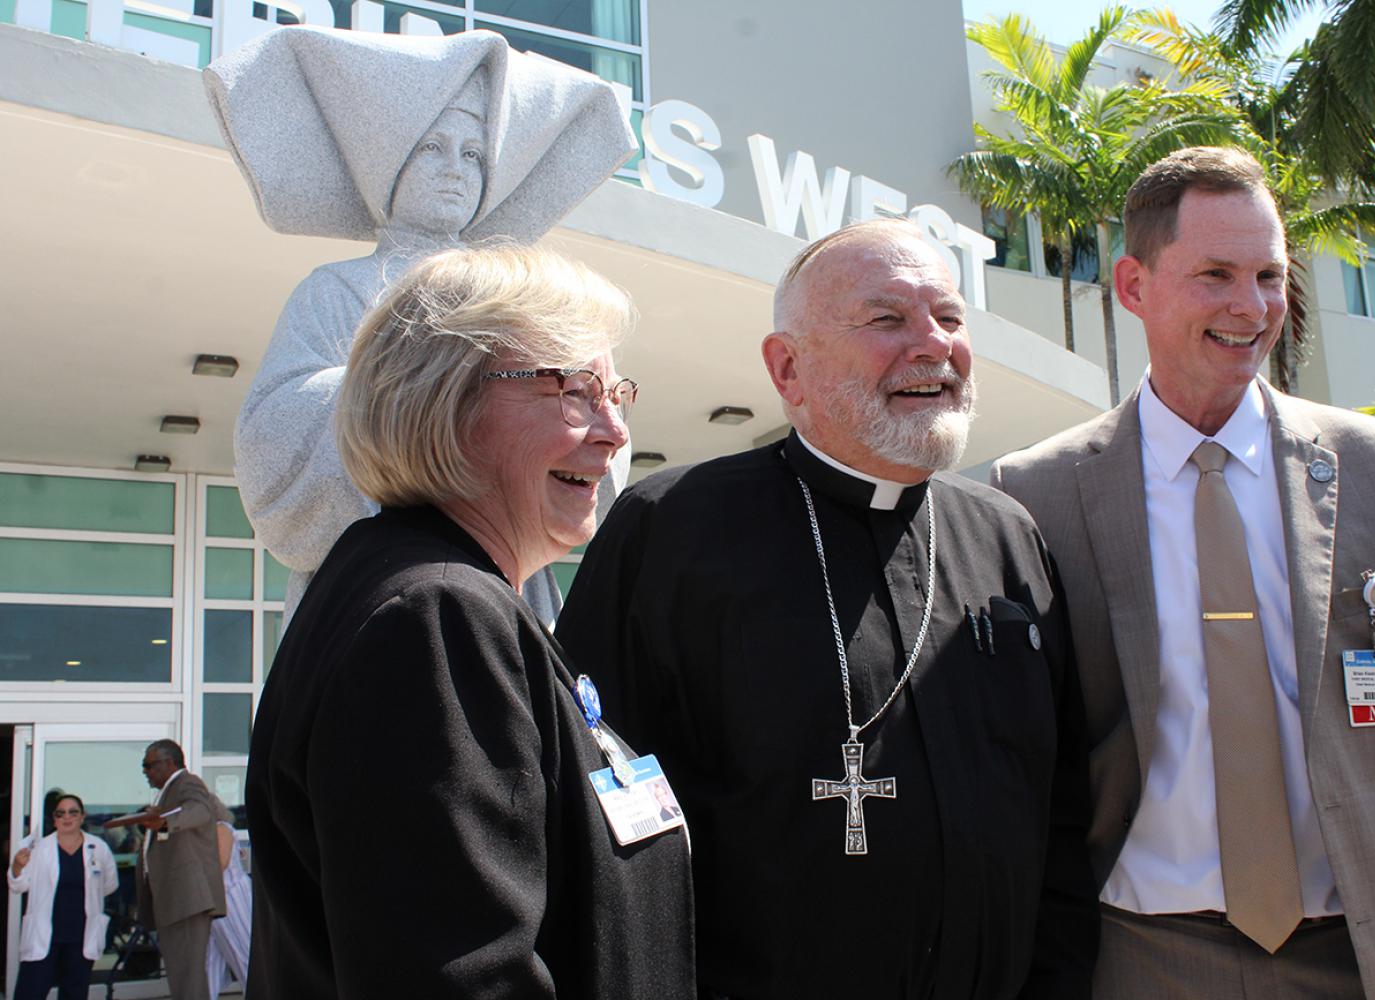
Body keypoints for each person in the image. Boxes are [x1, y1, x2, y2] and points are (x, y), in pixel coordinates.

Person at [994, 146, 1375, 999]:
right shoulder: (1037, 493)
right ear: (1132, 286)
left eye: (1269, 274)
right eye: (1216, 274)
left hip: (1369, 957)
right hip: (1137, 960)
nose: (1252, 306)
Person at [556, 218, 1097, 998]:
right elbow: (595, 805)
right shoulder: (671, 530)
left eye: (948, 318)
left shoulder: (1008, 536)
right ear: (788, 368)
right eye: (888, 320)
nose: (933, 345)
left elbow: (1064, 812)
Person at [245, 244, 694, 998]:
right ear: (444, 400)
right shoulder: (436, 618)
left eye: (617, 393)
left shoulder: (416, 588)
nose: (614, 433)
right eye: (575, 391)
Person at [206, 26, 636, 624]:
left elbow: (594, 431)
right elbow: (271, 436)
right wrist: (423, 391)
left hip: (505, 582)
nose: (455, 170)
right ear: (390, 158)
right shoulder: (338, 290)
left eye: (472, 154)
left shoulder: (521, 297)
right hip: (382, 587)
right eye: (433, 147)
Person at [137, 740, 232, 1000]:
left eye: (148, 765)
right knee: (182, 976)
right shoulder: (168, 792)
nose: (144, 771)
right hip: (174, 899)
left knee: (188, 976)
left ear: (168, 764)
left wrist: (166, 821)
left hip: (186, 899)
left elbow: (200, 810)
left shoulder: (187, 784)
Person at [8, 794, 120, 1000]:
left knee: (74, 993)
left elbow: (109, 885)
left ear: (82, 816)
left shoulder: (99, 848)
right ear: (54, 818)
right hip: (45, 935)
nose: (67, 817)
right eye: (61, 813)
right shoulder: (39, 848)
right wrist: (17, 867)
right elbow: (19, 885)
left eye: (73, 812)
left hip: (80, 936)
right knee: (30, 992)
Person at [204, 821, 250, 997]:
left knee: (245, 957)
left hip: (230, 900)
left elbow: (220, 862)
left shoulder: (219, 827)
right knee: (209, 967)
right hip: (212, 903)